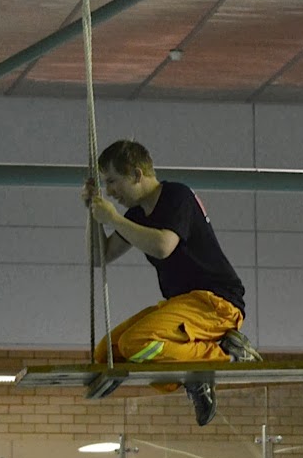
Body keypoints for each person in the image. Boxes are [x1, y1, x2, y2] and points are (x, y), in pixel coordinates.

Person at [83, 139, 260, 426]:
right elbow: (100, 256)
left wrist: (113, 218)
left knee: (136, 343)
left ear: (137, 174)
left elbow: (163, 246)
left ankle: (222, 356)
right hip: (183, 304)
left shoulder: (177, 196)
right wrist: (94, 215)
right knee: (107, 353)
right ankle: (198, 366)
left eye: (113, 181)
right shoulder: (137, 215)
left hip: (215, 302)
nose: (111, 192)